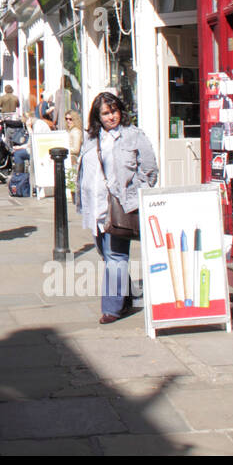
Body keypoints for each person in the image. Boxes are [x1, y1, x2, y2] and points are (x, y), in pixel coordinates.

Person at [76, 91, 159, 325]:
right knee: (106, 255)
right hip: (96, 207)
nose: (111, 116)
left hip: (120, 205)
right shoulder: (92, 139)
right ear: (97, 117)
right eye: (105, 113)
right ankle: (126, 297)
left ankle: (112, 308)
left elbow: (150, 170)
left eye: (114, 111)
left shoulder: (134, 136)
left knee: (115, 256)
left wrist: (134, 193)